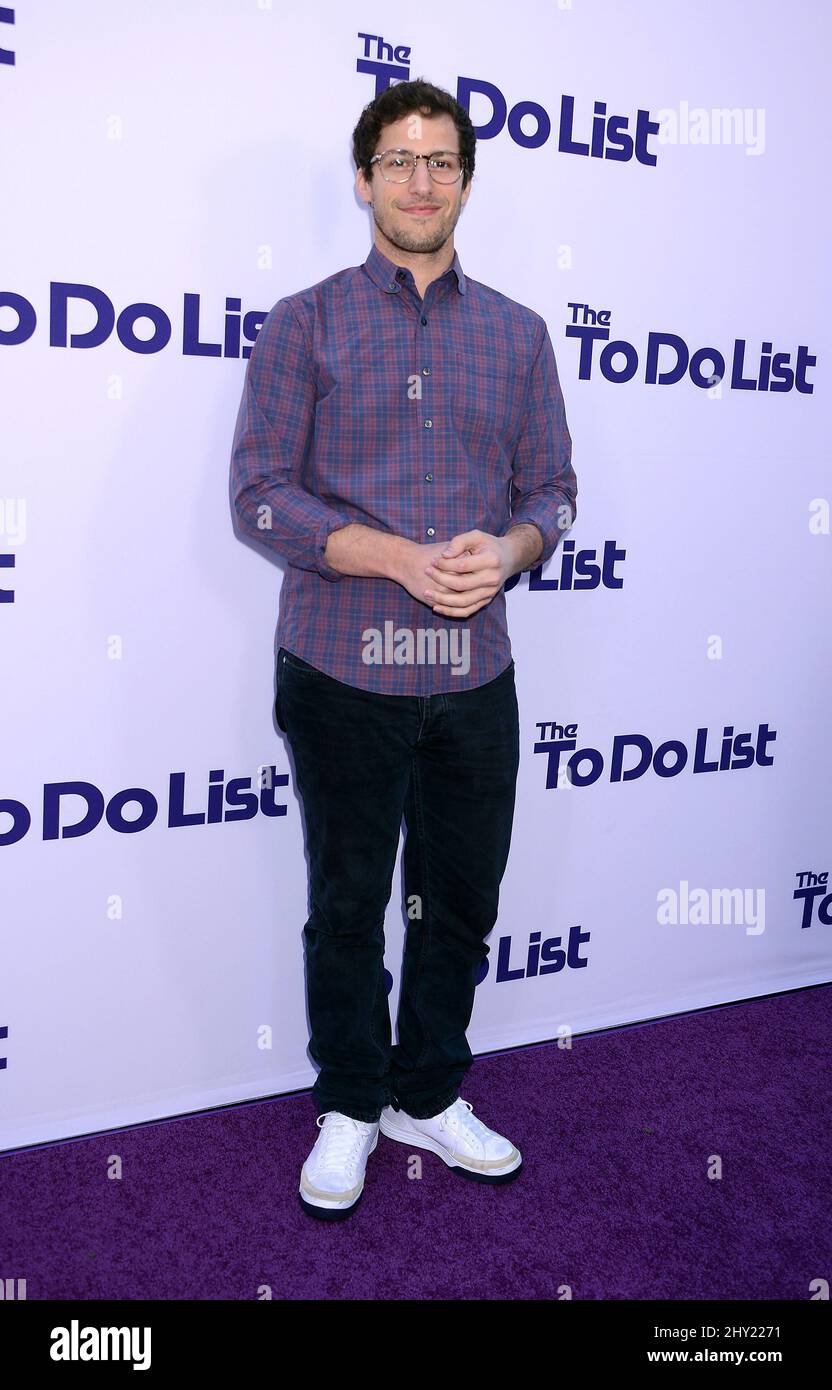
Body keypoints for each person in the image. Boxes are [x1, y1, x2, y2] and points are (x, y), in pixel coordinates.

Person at [229, 78, 577, 1221]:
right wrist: (393, 557)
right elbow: (259, 499)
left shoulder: (519, 335)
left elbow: (555, 493)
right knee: (345, 902)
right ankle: (348, 1099)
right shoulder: (304, 320)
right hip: (340, 671)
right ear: (364, 176)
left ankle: (428, 1090)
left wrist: (517, 545)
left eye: (440, 161)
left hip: (475, 680)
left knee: (457, 901)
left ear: (466, 180)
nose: (419, 181)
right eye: (397, 160)